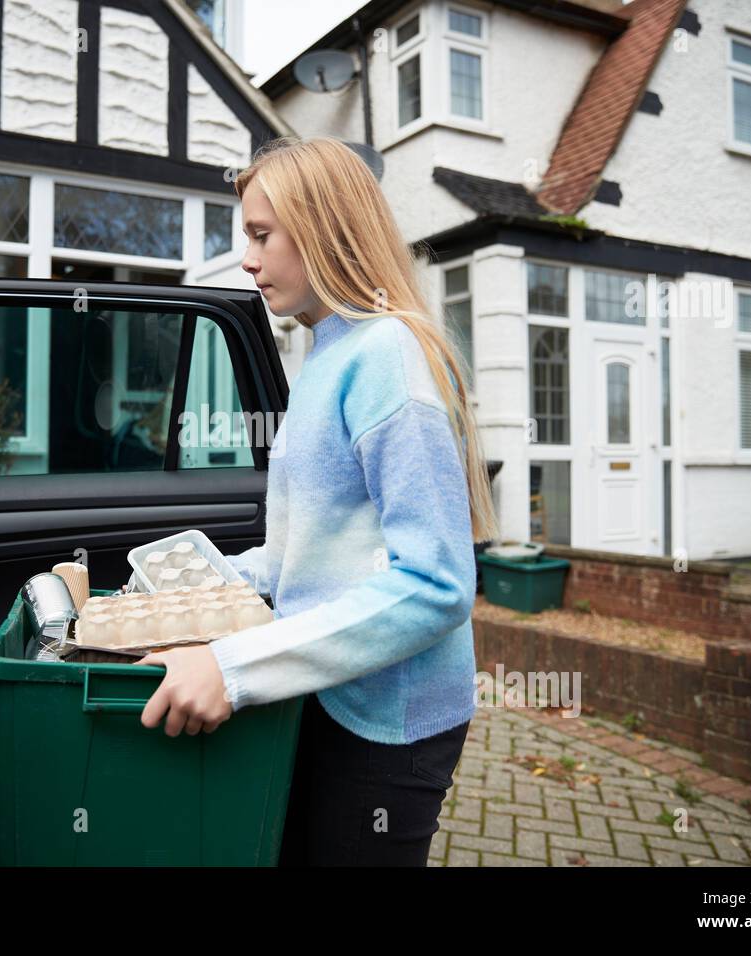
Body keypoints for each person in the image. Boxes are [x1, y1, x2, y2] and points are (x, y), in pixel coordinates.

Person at [133, 136, 500, 866]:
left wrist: (233, 668)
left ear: (326, 227)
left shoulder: (388, 356)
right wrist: (188, 592)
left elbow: (438, 584)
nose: (248, 259)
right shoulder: (329, 354)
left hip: (387, 721)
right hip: (330, 689)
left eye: (262, 235)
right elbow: (299, 557)